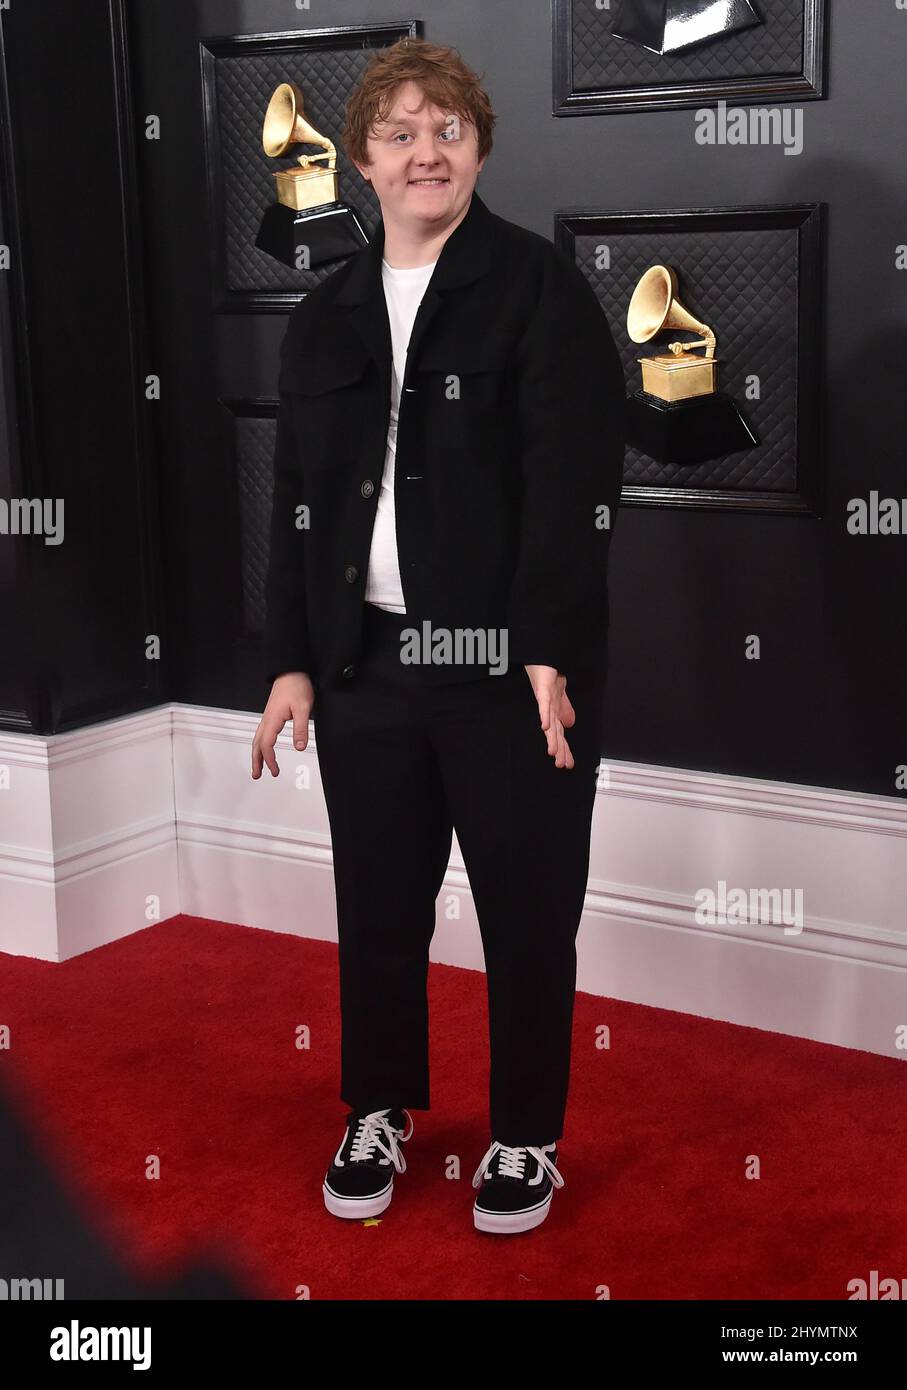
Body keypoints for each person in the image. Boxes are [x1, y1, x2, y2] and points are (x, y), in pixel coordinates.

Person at [251, 37, 626, 1236]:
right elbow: (296, 500)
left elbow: (573, 485)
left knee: (526, 912)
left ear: (478, 149)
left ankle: (523, 1137)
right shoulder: (324, 316)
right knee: (376, 907)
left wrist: (548, 647)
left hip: (511, 676)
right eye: (403, 132)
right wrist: (292, 659)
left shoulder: (537, 290)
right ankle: (380, 1106)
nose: (428, 150)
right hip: (363, 667)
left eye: (449, 130)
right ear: (361, 157)